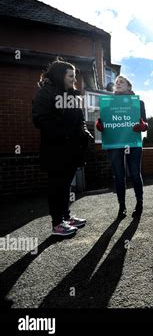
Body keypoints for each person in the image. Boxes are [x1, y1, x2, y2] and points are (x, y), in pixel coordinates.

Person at [32, 59, 93, 236]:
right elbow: (40, 119)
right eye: (71, 76)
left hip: (71, 150)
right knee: (56, 185)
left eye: (75, 76)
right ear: (60, 75)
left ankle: (66, 216)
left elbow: (80, 119)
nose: (74, 80)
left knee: (66, 185)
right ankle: (57, 224)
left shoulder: (72, 95)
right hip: (55, 150)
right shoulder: (45, 93)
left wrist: (83, 132)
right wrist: (65, 134)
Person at [95, 75, 148, 219]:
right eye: (117, 82)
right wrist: (100, 125)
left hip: (133, 143)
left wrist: (143, 126)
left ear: (129, 86)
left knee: (135, 174)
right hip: (115, 143)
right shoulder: (108, 103)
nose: (118, 83)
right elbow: (103, 123)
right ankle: (122, 206)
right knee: (119, 176)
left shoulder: (139, 103)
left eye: (121, 82)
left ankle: (139, 203)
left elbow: (145, 124)